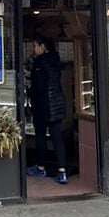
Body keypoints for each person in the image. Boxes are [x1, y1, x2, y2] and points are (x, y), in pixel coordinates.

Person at [26, 36, 68, 184]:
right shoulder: (55, 60)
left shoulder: (39, 62)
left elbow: (38, 86)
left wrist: (29, 92)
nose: (33, 49)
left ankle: (41, 167)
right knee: (57, 138)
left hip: (42, 106)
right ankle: (62, 171)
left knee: (40, 136)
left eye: (35, 46)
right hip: (57, 104)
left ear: (42, 46)